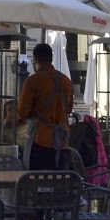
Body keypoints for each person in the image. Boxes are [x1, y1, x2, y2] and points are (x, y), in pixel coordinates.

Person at [18, 42, 74, 171]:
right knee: (58, 183)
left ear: (35, 59)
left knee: (37, 182)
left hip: (40, 140)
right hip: (62, 140)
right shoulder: (66, 81)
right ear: (51, 58)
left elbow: (22, 111)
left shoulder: (33, 81)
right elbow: (69, 109)